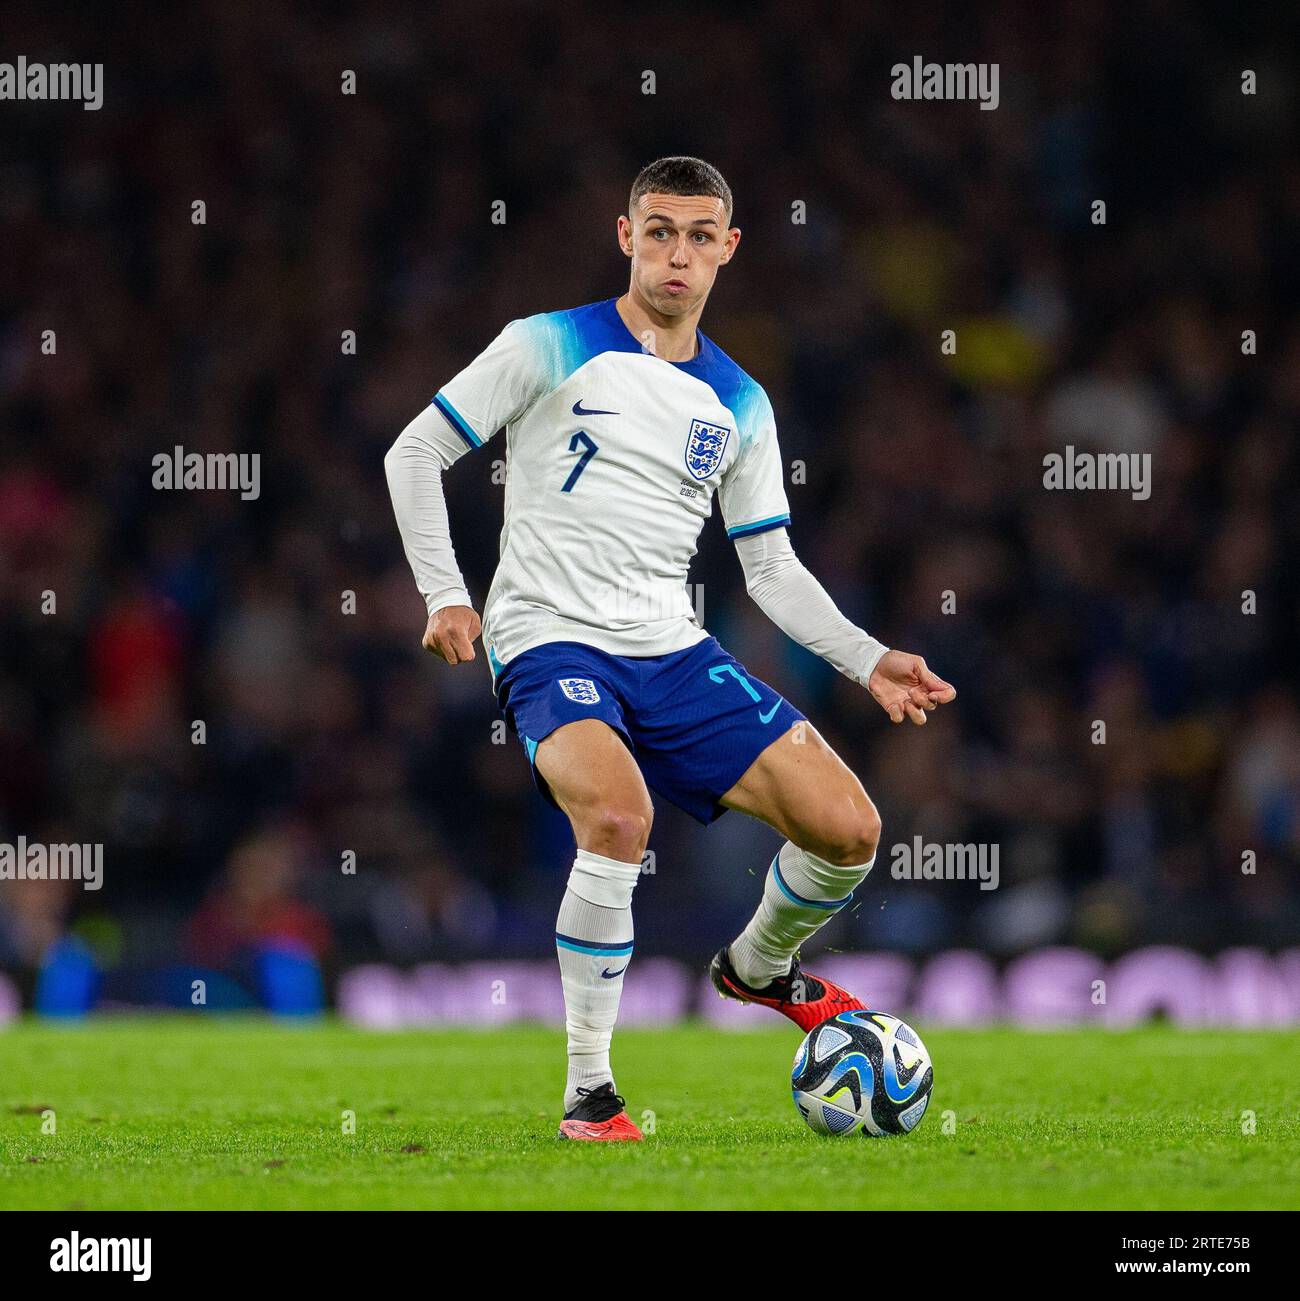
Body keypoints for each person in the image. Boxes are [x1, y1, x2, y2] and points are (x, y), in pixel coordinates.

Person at [386, 156, 955, 1141]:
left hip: (669, 645)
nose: (677, 252)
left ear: (728, 249)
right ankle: (589, 1093)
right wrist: (446, 594)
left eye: (699, 235)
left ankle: (756, 966)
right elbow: (415, 451)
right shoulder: (548, 343)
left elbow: (768, 569)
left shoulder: (739, 402)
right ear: (626, 236)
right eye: (659, 231)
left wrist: (866, 658)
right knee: (616, 816)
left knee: (849, 828)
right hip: (545, 634)